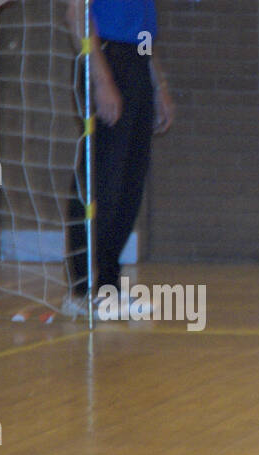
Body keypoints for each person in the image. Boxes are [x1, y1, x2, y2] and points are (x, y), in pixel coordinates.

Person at [62, 0, 176, 321]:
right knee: (102, 175)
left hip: (136, 61)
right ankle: (81, 290)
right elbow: (76, 12)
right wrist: (102, 78)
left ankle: (108, 286)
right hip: (107, 58)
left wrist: (158, 84)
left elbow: (142, 33)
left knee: (130, 181)